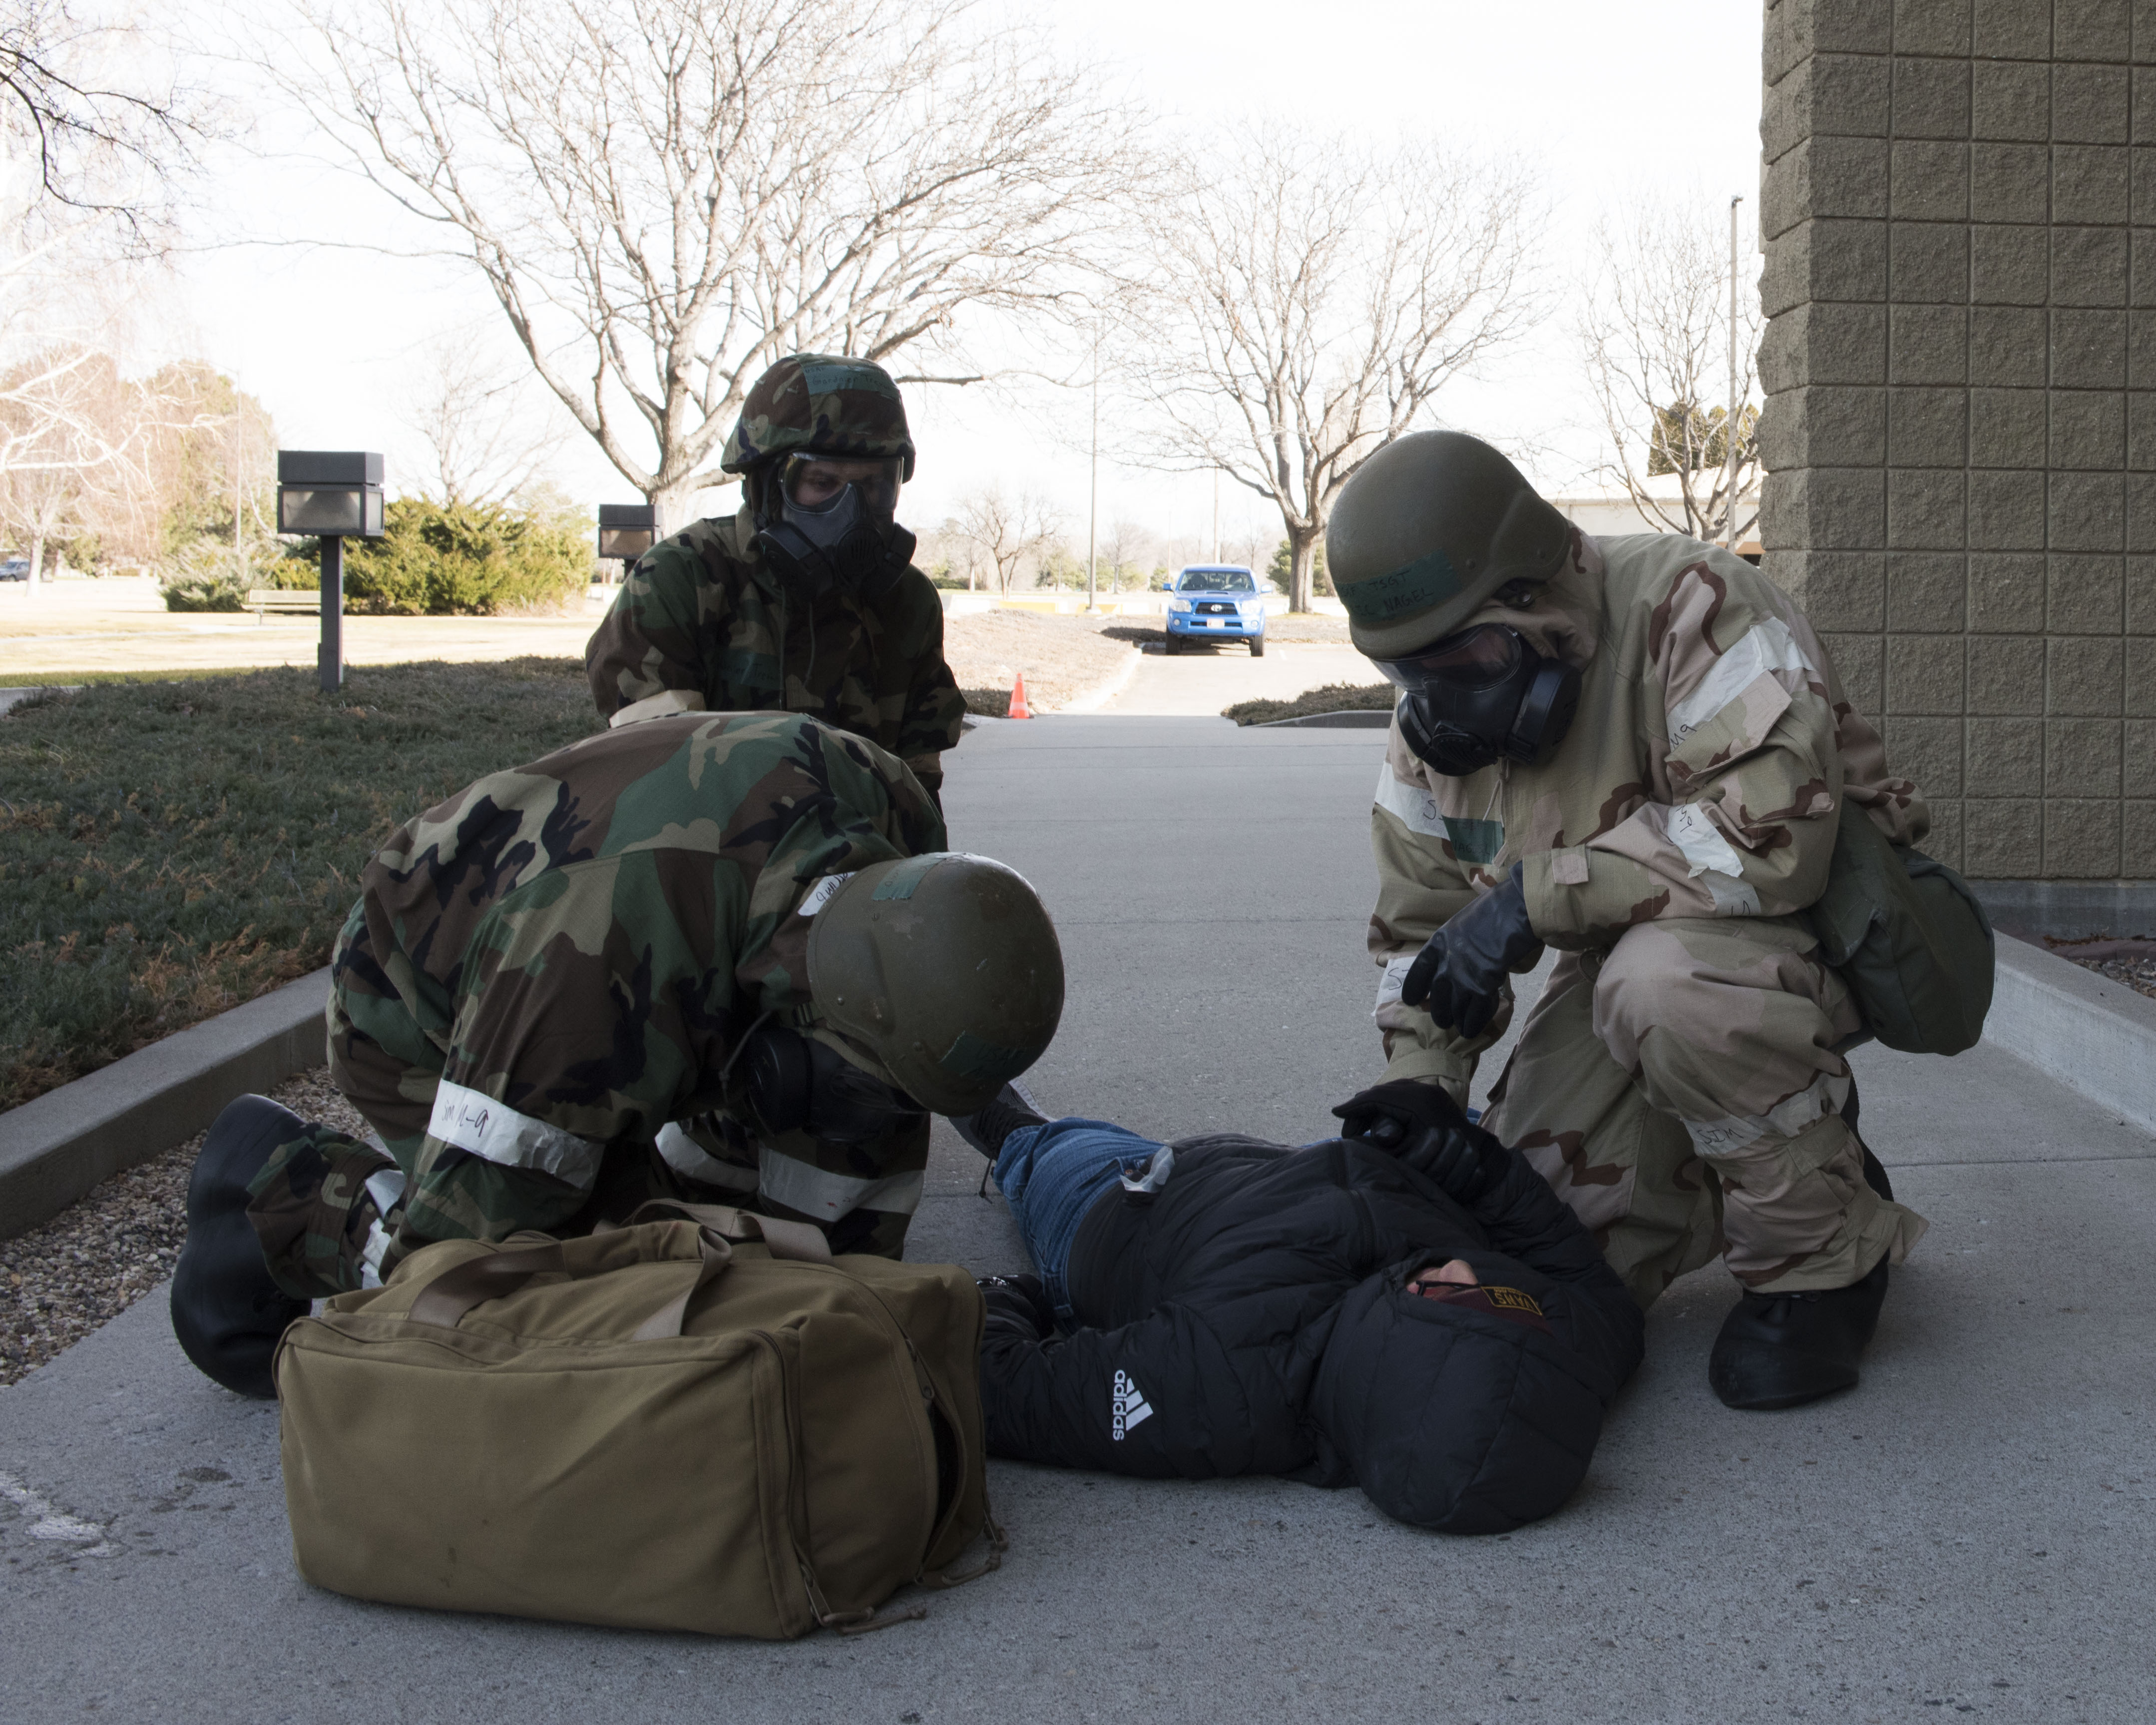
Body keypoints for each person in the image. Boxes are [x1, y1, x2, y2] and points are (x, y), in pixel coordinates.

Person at [170, 711, 1063, 1399]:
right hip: (427, 991)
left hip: (696, 962)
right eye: (862, 1080)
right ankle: (275, 1185)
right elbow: (463, 1249)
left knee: (759, 1269)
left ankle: (670, 1175)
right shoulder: (579, 975)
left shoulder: (901, 835)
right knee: (530, 1300)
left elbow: (843, 1254)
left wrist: (839, 1321)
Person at [1326, 429, 1932, 1412]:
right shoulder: (1434, 733)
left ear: (1537, 591)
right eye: (1413, 673)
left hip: (1798, 918)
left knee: (1665, 986)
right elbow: (1419, 929)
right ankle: (1797, 1149)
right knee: (1556, 1251)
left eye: (1473, 656)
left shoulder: (1695, 605)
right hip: (1626, 951)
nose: (1444, 701)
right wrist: (1424, 1085)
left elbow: (1769, 840)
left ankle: (1823, 1257)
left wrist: (1535, 896)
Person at [952, 1080, 1642, 1534]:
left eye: (1453, 1293)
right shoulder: (1561, 1354)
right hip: (1309, 1170)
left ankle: (954, 1091)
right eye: (1495, 1292)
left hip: (1119, 1204)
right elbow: (1594, 1298)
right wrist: (1475, 1167)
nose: (1461, 1267)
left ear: (1393, 1361)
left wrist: (1032, 1295)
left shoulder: (1213, 1386)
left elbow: (1002, 1387)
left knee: (1028, 1137)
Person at [585, 353, 966, 804]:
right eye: (822, 483)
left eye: (871, 485)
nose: (851, 511)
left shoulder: (907, 602)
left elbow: (916, 796)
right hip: (710, 860)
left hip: (861, 860)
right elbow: (661, 780)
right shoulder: (679, 579)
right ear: (765, 485)